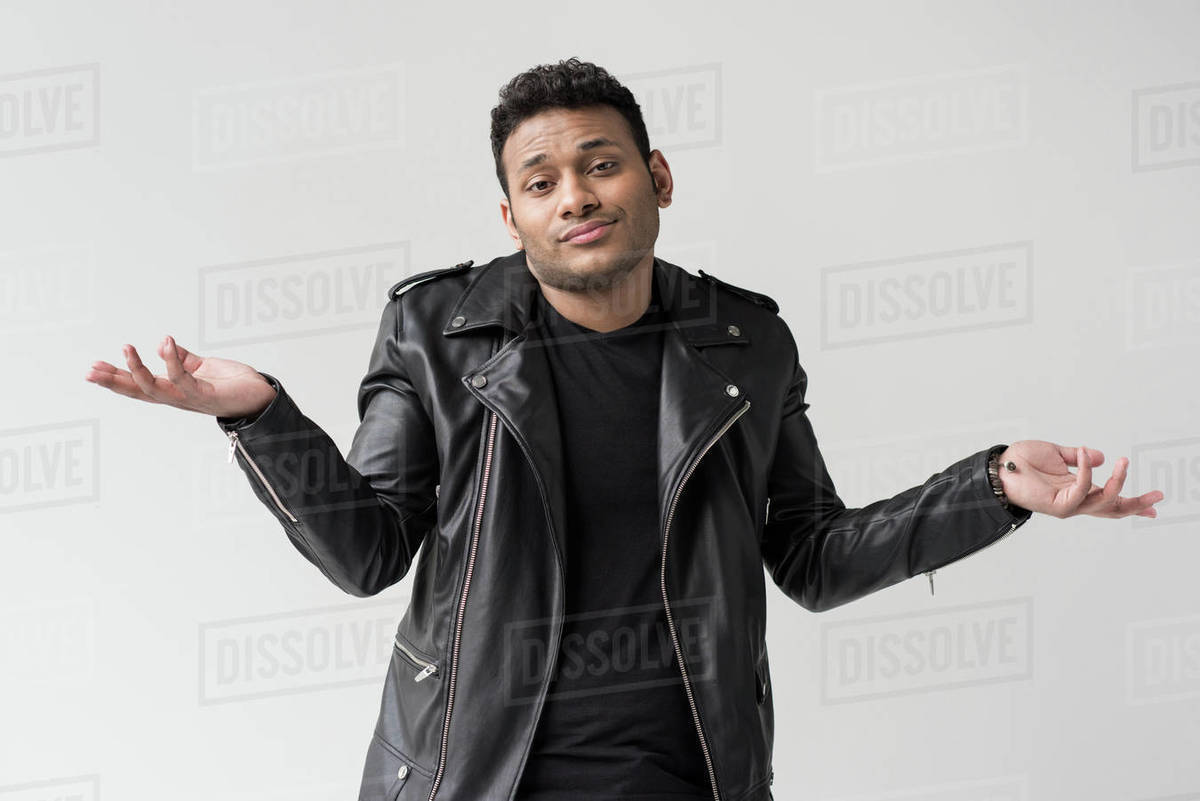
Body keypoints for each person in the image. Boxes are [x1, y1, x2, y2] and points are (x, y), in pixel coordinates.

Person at [85, 58, 1164, 801]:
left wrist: (992, 485)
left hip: (687, 775)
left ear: (656, 178)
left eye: (601, 164)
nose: (575, 197)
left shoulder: (745, 342)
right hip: (476, 777)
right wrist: (258, 415)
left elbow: (814, 555)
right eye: (540, 181)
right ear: (511, 216)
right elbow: (367, 550)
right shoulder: (436, 332)